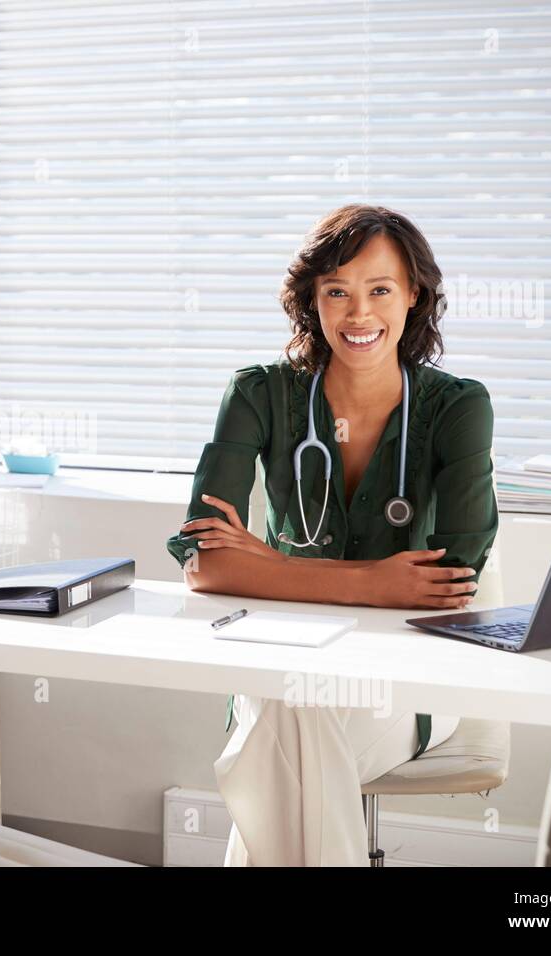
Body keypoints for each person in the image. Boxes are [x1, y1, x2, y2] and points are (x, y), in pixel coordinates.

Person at [164, 204, 499, 866]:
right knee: (296, 703)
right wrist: (374, 582)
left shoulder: (458, 407)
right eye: (336, 291)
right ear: (310, 300)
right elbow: (204, 561)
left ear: (414, 297)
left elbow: (449, 581)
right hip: (276, 670)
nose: (358, 314)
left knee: (292, 718)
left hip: (406, 685)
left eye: (380, 290)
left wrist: (268, 566)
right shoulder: (259, 394)